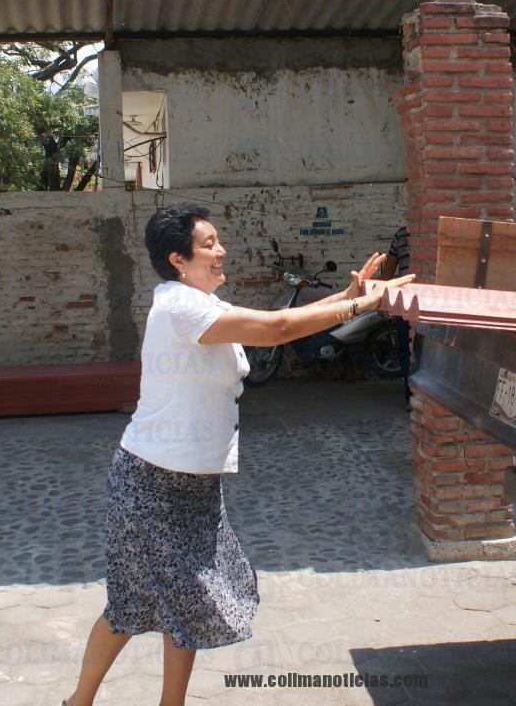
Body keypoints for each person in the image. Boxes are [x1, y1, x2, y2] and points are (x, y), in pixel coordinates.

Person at [62, 203, 414, 706]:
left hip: (195, 485)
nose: (221, 251)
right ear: (178, 260)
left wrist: (347, 295)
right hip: (149, 483)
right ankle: (78, 702)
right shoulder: (180, 307)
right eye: (208, 245)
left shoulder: (201, 302)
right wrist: (362, 306)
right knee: (129, 605)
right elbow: (276, 328)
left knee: (188, 604)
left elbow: (282, 323)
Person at [380, 223, 412, 406]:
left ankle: (411, 398)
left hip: (406, 303)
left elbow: (387, 273)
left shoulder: (401, 235)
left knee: (407, 351)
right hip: (422, 302)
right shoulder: (402, 235)